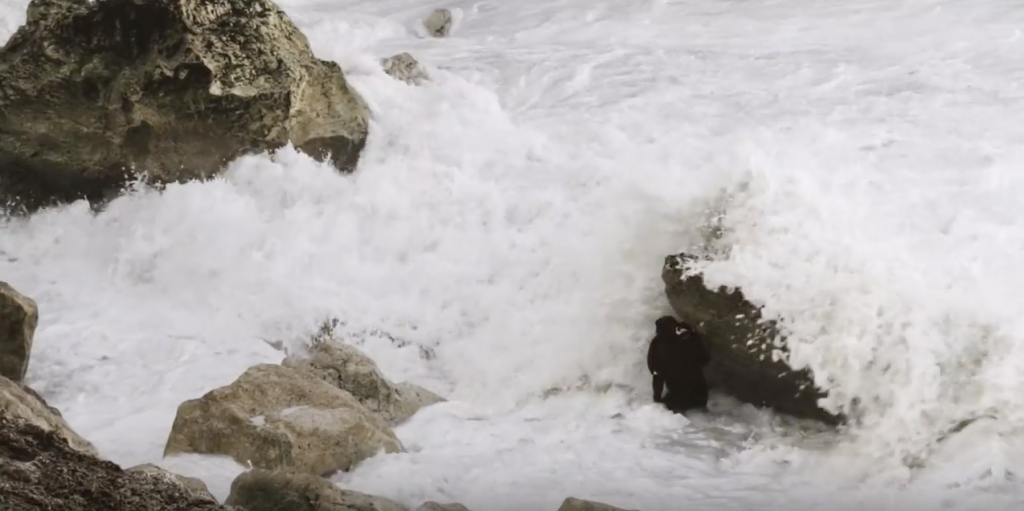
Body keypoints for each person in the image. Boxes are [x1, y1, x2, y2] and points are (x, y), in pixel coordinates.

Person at [647, 315, 711, 414]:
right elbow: (705, 360)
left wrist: (657, 399)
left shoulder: (658, 344)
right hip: (700, 393)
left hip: (679, 395)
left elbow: (657, 374)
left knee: (665, 414)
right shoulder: (687, 338)